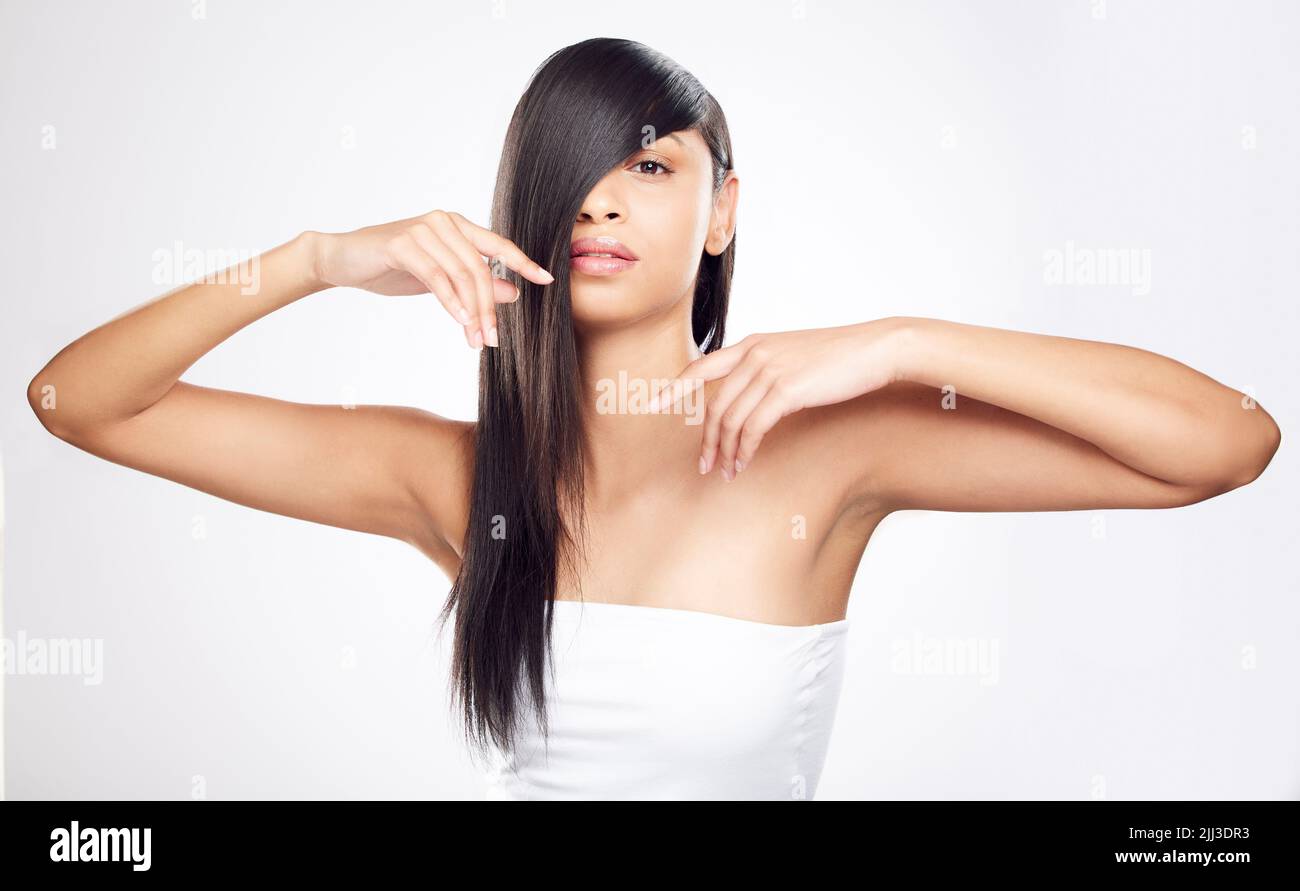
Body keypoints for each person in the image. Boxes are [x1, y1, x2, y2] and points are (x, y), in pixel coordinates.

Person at [26, 38, 1281, 800]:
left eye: (649, 166)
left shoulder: (832, 452)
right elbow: (75, 400)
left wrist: (906, 342)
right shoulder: (457, 481)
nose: (602, 204)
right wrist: (315, 260)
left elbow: (1227, 442)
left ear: (723, 212)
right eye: (571, 170)